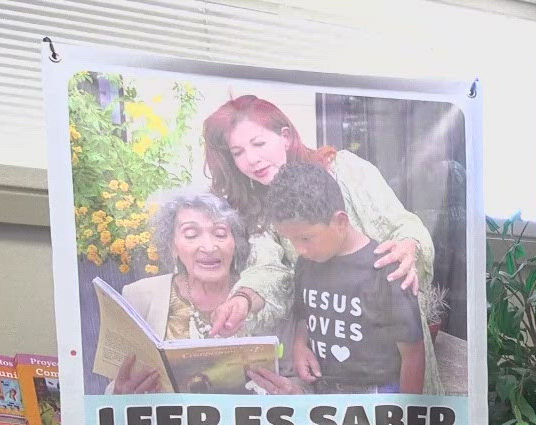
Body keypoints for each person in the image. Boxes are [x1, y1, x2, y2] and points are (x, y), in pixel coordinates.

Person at [199, 96, 432, 340]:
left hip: (390, 335)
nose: (252, 159)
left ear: (286, 137)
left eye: (258, 143)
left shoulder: (343, 169)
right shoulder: (259, 206)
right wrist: (244, 299)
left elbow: (402, 224)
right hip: (328, 341)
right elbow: (268, 269)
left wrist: (409, 246)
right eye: (238, 153)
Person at [265, 161, 426, 394]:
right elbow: (304, 314)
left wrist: (408, 420)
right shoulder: (306, 264)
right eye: (291, 240)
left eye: (306, 238)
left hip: (378, 395)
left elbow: (413, 354)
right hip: (325, 392)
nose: (299, 249)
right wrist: (301, 345)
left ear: (340, 221)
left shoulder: (387, 268)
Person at [110, 190, 278, 394]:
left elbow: (292, 377)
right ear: (173, 247)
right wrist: (119, 395)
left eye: (220, 233)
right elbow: (115, 383)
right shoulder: (140, 296)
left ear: (235, 243)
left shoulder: (262, 292)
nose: (209, 247)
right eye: (191, 234)